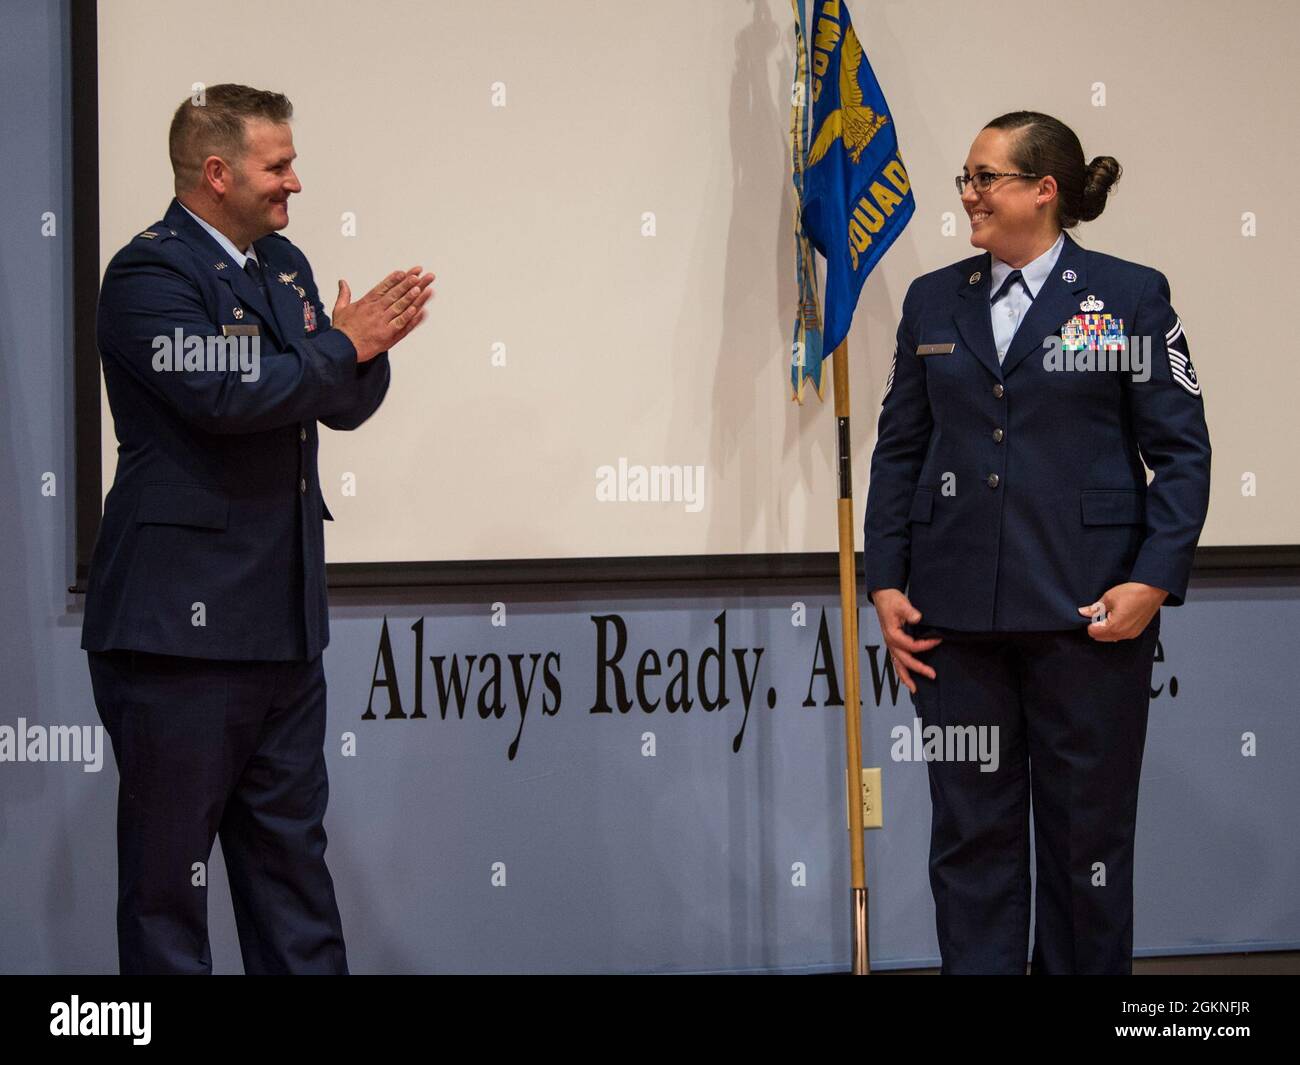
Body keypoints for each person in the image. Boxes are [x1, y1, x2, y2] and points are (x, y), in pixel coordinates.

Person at [80, 83, 434, 974]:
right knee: (169, 893)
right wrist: (335, 348)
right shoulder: (147, 274)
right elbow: (227, 394)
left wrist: (361, 347)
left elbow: (335, 396)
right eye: (278, 166)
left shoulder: (283, 265)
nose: (294, 184)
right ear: (215, 172)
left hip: (281, 632)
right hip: (177, 639)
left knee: (292, 880)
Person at [863, 111, 1211, 974]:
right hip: (955, 627)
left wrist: (1154, 580)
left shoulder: (1130, 296)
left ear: (1043, 189)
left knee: (1082, 847)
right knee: (969, 843)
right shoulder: (933, 299)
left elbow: (1181, 452)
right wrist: (885, 579)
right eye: (968, 179)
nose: (969, 195)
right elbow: (901, 448)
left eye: (986, 177)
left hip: (1088, 622)